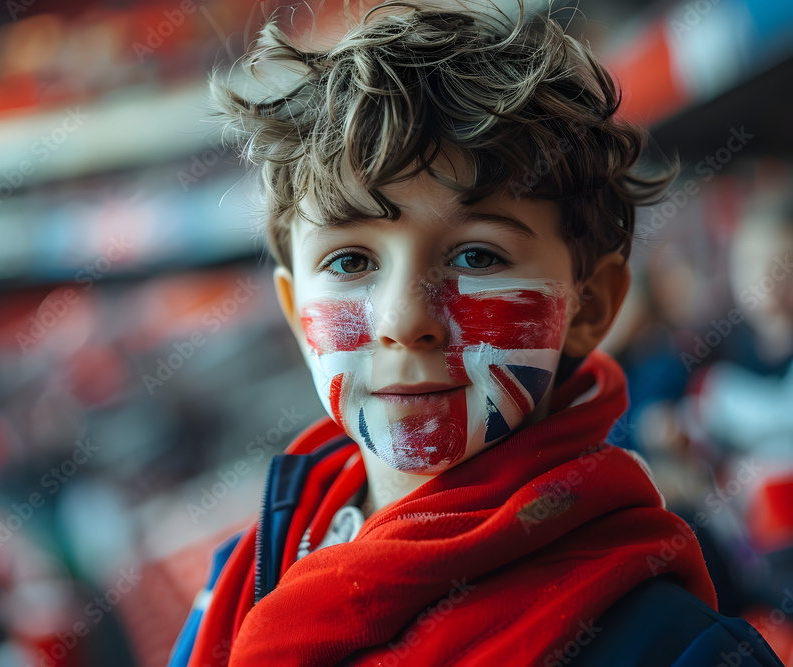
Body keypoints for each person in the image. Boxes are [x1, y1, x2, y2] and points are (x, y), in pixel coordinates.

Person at [169, 1, 785, 664]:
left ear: (588, 305)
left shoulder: (675, 647)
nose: (404, 321)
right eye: (350, 262)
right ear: (297, 314)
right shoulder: (242, 576)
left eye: (476, 256)